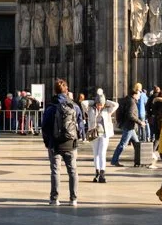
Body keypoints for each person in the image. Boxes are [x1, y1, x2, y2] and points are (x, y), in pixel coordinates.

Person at [40, 78, 79, 206]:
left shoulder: (51, 108)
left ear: (55, 91)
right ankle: (73, 199)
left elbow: (44, 127)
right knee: (72, 171)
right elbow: (80, 125)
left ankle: (54, 198)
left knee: (56, 171)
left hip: (54, 143)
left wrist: (47, 142)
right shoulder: (74, 106)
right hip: (70, 144)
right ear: (66, 90)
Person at [110, 82, 143, 167]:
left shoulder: (127, 99)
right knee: (123, 144)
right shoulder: (132, 102)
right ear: (134, 94)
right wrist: (140, 122)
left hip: (128, 126)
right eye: (139, 94)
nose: (139, 96)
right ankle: (114, 160)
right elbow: (130, 115)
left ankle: (139, 161)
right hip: (129, 126)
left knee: (137, 144)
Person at [86, 89, 115, 183]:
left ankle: (102, 173)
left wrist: (105, 100)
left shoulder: (107, 110)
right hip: (94, 134)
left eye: (101, 104)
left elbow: (116, 105)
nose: (100, 106)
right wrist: (94, 101)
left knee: (102, 153)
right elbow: (83, 103)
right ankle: (97, 172)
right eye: (98, 104)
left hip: (104, 133)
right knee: (96, 154)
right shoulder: (90, 109)